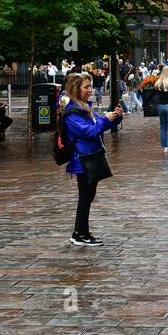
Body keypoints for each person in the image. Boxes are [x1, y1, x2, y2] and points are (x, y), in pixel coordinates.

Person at [57, 73, 122, 246]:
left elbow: (99, 123)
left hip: (91, 156)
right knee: (85, 197)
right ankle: (80, 234)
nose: (89, 90)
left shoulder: (84, 107)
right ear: (75, 88)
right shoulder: (72, 112)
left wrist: (115, 117)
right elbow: (89, 131)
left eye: (89, 86)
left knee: (88, 196)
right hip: (82, 159)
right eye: (86, 87)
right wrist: (104, 121)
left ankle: (80, 232)